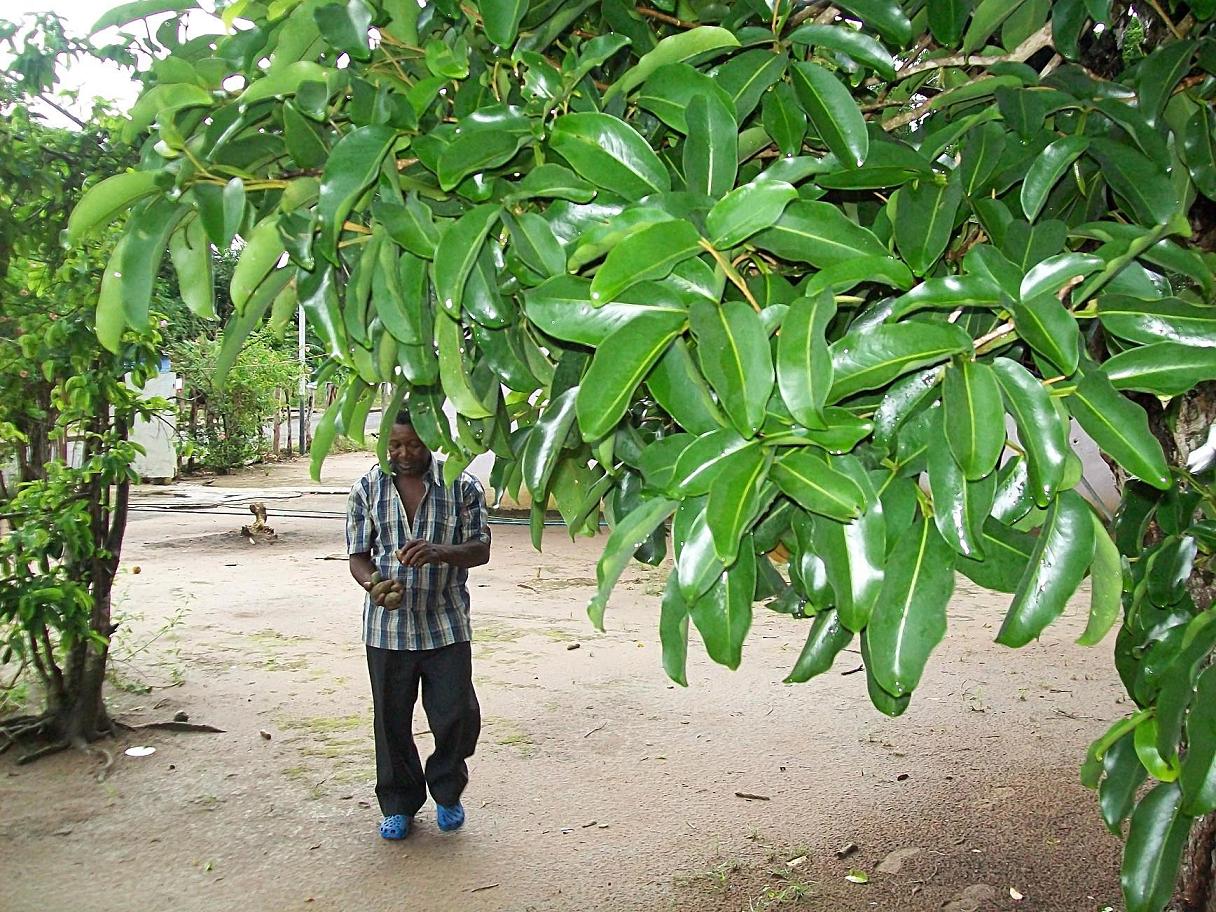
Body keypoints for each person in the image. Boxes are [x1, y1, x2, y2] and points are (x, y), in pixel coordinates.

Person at [346, 409, 490, 840]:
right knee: (390, 723)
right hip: (386, 632)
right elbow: (358, 557)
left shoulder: (460, 485)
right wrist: (374, 585)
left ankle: (447, 790)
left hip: (445, 624)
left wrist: (440, 553)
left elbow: (480, 549)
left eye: (412, 444)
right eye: (394, 445)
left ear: (430, 440)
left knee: (455, 716)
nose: (403, 453)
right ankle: (399, 804)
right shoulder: (366, 489)